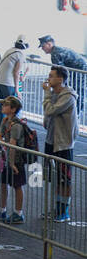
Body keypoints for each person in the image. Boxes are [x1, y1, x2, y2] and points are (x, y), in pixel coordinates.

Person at [42, 65, 77, 223]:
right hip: (51, 140)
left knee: (64, 179)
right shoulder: (53, 94)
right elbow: (48, 113)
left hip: (63, 144)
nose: (48, 78)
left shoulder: (67, 96)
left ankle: (64, 211)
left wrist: (46, 93)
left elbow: (51, 110)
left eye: (51, 75)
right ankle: (57, 208)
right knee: (54, 178)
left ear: (60, 79)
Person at [0, 96, 33, 225]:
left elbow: (12, 146)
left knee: (17, 186)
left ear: (13, 109)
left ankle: (18, 213)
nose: (2, 107)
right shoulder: (5, 121)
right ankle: (2, 209)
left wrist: (12, 163)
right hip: (7, 158)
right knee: (3, 183)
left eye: (6, 105)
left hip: (16, 160)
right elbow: (0, 136)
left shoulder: (17, 126)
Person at [0, 35, 29, 102]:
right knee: (12, 108)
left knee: (3, 108)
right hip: (7, 84)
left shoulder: (10, 50)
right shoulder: (20, 54)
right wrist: (17, 90)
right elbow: (16, 73)